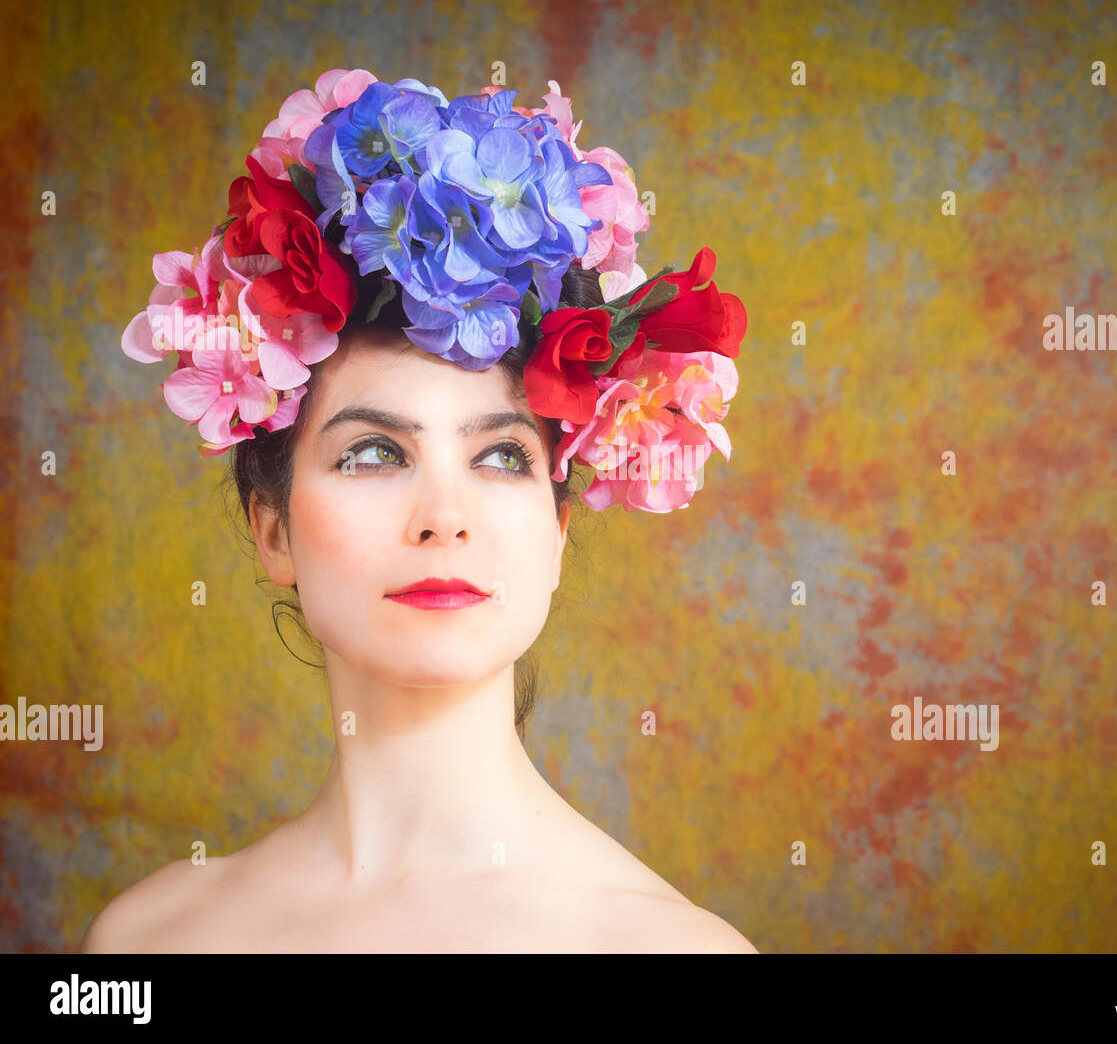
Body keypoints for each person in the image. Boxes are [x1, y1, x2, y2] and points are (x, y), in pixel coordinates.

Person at [83, 69, 753, 953]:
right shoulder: (146, 942)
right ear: (272, 527)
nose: (445, 517)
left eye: (501, 457)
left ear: (556, 532)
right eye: (374, 453)